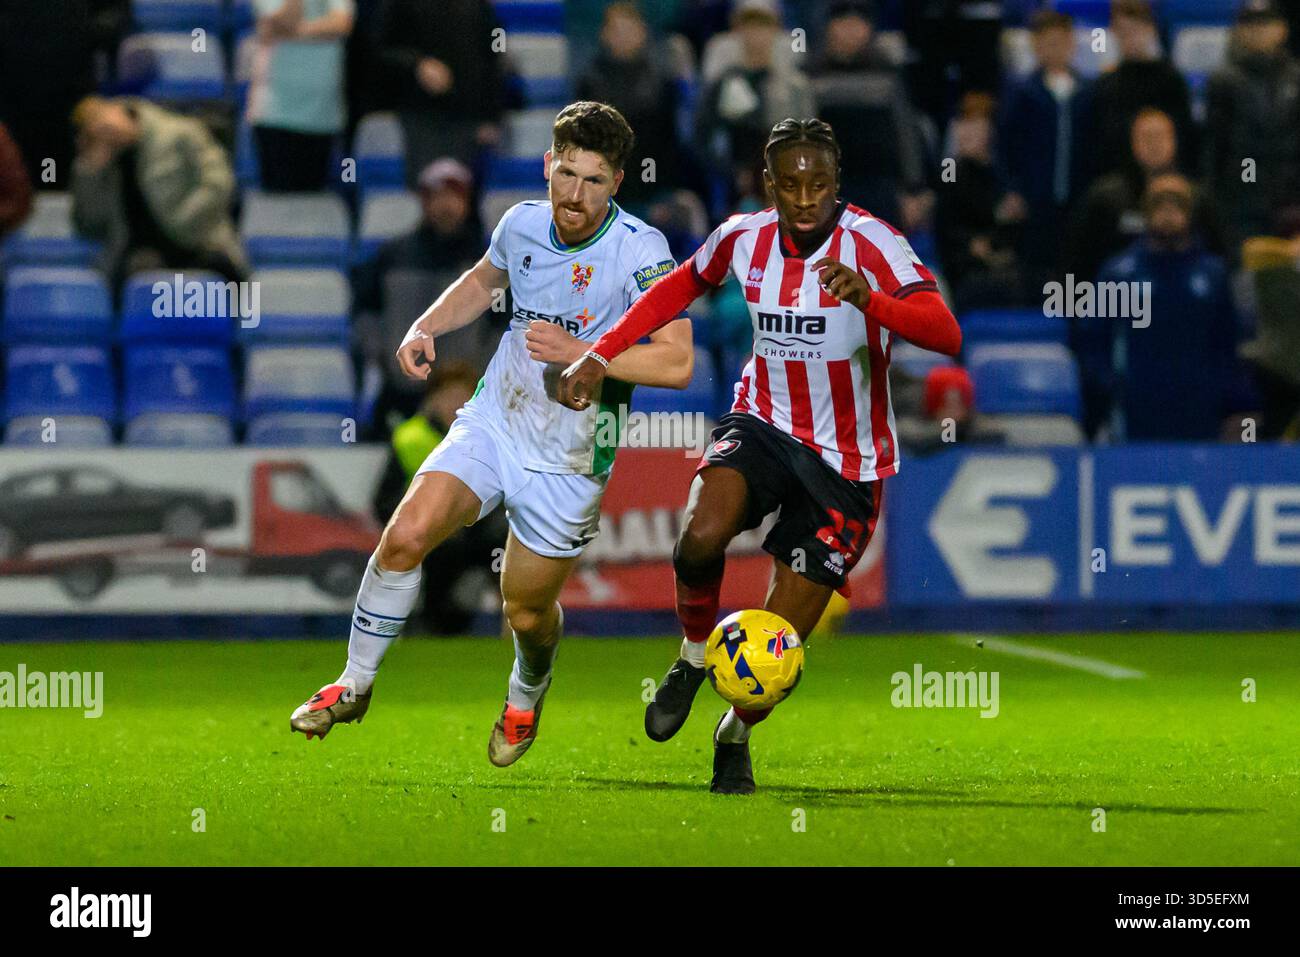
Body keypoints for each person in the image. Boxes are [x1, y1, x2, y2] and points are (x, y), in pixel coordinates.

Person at [557, 118, 961, 794]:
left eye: (820, 184)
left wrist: (875, 300)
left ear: (838, 184)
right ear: (768, 183)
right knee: (698, 538)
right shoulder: (742, 237)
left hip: (846, 465)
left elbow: (945, 331)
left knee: (775, 651)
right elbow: (676, 289)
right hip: (763, 422)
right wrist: (601, 353)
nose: (806, 198)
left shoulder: (873, 242)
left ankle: (734, 732)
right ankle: (690, 657)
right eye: (791, 183)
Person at [289, 102, 695, 769]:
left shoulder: (641, 250)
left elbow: (677, 360)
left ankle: (527, 688)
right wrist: (425, 325)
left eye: (595, 180)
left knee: (528, 613)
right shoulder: (521, 223)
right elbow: (484, 281)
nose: (575, 193)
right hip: (494, 419)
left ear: (617, 183)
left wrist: (582, 351)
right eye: (566, 173)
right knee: (405, 537)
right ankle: (355, 682)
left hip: (570, 455)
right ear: (547, 166)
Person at [1078, 174, 1244, 441]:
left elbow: (1227, 343)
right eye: (1159, 206)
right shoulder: (1119, 273)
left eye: (1176, 206)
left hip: (1199, 410)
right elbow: (1094, 340)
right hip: (1135, 411)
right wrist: (1112, 387)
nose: (1168, 214)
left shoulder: (1212, 275)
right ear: (1146, 213)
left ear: (1189, 214)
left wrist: (1230, 401)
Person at [371, 362, 507, 634]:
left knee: (507, 538)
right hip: (432, 538)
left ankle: (514, 623)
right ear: (432, 400)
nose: (455, 404)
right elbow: (384, 501)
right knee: (441, 550)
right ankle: (429, 623)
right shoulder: (410, 438)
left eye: (463, 397)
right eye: (448, 396)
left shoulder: (490, 437)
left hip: (478, 532)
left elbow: (503, 492)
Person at [70, 96, 247, 287]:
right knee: (135, 274)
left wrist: (183, 223)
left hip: (202, 245)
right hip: (139, 258)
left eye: (106, 125)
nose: (109, 134)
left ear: (119, 108)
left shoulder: (181, 132)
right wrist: (91, 171)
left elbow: (219, 182)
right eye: (98, 132)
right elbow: (89, 226)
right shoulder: (104, 163)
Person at [807, 0, 931, 231]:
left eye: (858, 24)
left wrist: (913, 189)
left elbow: (905, 133)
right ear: (829, 28)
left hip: (882, 190)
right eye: (843, 24)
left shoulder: (888, 72)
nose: (851, 31)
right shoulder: (811, 74)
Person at [1067, 107, 1222, 282]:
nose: (1154, 144)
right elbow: (1080, 259)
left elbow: (1218, 253)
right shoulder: (1105, 197)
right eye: (1147, 137)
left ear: (1174, 142)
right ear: (1133, 142)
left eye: (1160, 136)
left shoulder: (1196, 197)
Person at [997, 9, 1092, 291]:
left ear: (1072, 44)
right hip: (1035, 199)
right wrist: (1011, 188)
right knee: (1036, 270)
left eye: (1061, 42)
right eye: (1048, 43)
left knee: (1075, 268)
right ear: (1036, 47)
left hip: (1077, 197)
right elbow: (1005, 146)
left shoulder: (1087, 92)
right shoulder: (1021, 92)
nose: (1055, 49)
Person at [694, 1, 815, 204]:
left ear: (776, 30)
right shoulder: (725, 82)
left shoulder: (795, 85)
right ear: (738, 31)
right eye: (749, 26)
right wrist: (729, 171)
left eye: (763, 26)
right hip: (737, 187)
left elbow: (809, 136)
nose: (756, 34)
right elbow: (703, 134)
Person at [374, 0, 506, 183]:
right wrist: (418, 64)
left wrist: (491, 116)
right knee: (427, 189)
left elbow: (493, 58)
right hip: (420, 116)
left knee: (465, 193)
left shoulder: (479, 5)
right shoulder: (399, 5)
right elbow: (382, 51)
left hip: (468, 116)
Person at [1205, 0, 1300, 253]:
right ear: (1239, 30)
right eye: (1250, 24)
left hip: (1291, 199)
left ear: (1282, 29)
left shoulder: (1296, 78)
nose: (1258, 30)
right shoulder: (1223, 81)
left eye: (1265, 23)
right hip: (1243, 202)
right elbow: (1215, 148)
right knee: (1247, 280)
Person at [575, 3, 685, 212]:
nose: (624, 37)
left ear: (642, 33)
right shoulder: (589, 83)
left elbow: (668, 142)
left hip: (650, 186)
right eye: (617, 30)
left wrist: (662, 194)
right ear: (604, 35)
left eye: (630, 30)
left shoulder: (661, 83)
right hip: (603, 189)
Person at [247, 0, 355, 192]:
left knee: (313, 207)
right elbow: (285, 19)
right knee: (278, 207)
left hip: (322, 113)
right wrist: (305, 30)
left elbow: (341, 24)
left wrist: (294, 33)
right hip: (275, 113)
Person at [1089, 0, 1194, 178]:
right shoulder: (1105, 84)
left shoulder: (1171, 80)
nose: (1129, 38)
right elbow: (1099, 143)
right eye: (1123, 32)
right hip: (1116, 179)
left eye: (1135, 31)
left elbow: (1184, 136)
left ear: (1151, 30)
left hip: (1164, 178)